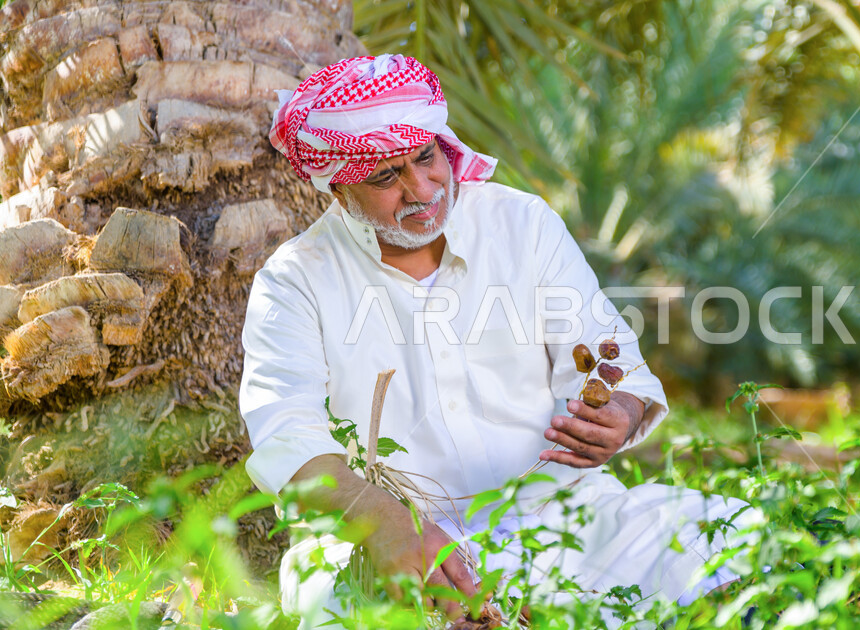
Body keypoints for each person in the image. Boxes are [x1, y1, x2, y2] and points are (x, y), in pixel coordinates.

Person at [240, 54, 753, 628]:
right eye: (386, 176)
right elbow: (286, 432)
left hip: (561, 520)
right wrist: (383, 522)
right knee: (337, 601)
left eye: (426, 157)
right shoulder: (294, 280)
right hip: (386, 542)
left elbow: (611, 358)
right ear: (337, 188)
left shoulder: (521, 225)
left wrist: (623, 412)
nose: (421, 188)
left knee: (735, 534)